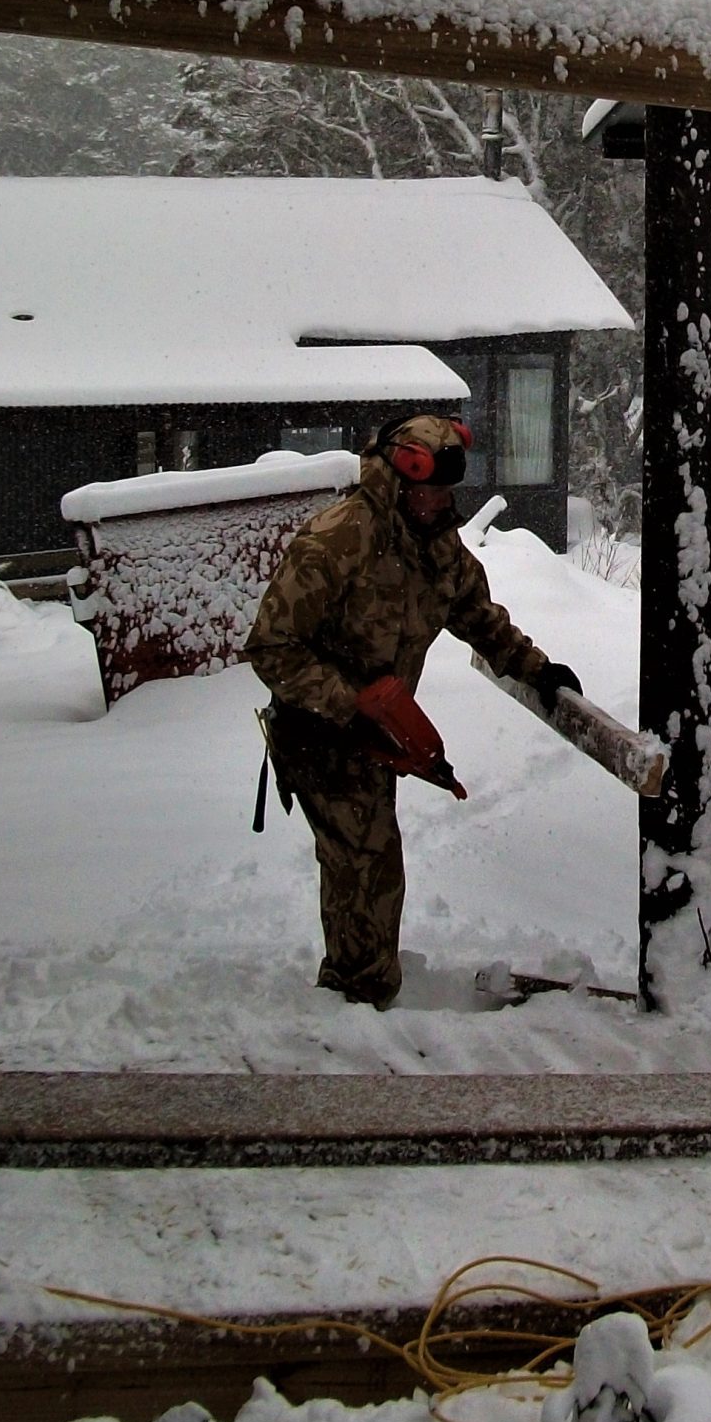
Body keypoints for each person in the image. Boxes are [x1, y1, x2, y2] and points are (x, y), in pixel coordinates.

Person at [245, 412, 581, 1007]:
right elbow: (271, 647)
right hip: (318, 730)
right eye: (429, 490)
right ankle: (358, 996)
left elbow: (477, 615)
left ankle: (358, 991)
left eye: (447, 491)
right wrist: (348, 701)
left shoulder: (434, 543)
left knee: (370, 864)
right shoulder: (338, 540)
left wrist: (535, 668)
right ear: (401, 480)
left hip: (375, 736)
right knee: (364, 864)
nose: (439, 502)